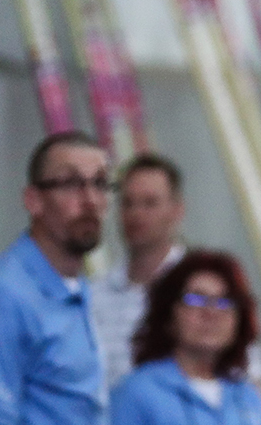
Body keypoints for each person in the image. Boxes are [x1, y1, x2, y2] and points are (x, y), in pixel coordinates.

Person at [0, 131, 111, 425]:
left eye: (100, 183)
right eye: (71, 184)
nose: (90, 200)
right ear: (33, 200)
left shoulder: (76, 289)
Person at [110, 250, 261, 425]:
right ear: (168, 314)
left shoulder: (247, 396)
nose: (211, 312)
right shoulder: (137, 393)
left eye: (224, 301)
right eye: (196, 299)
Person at [93, 153, 189, 390]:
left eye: (150, 203)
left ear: (177, 211)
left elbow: (247, 379)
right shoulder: (94, 296)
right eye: (128, 203)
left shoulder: (205, 289)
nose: (136, 214)